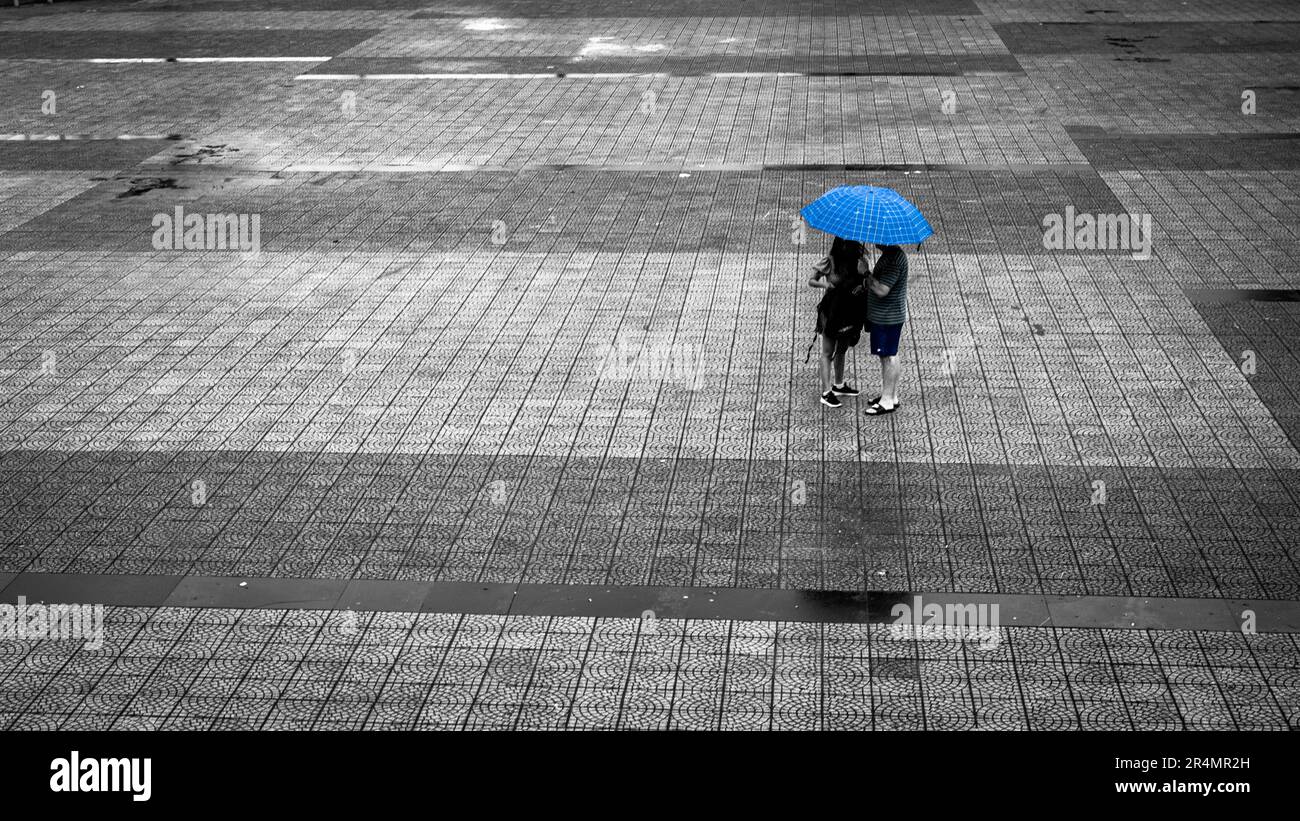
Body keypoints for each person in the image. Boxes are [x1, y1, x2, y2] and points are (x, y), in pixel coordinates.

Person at [808, 237, 869, 408]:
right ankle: (826, 392)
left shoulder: (861, 262)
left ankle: (839, 385)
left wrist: (862, 281)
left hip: (850, 311)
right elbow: (811, 280)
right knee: (827, 352)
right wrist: (825, 286)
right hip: (832, 312)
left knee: (842, 349)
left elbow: (866, 284)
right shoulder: (830, 261)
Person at [863, 243, 908, 415]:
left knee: (888, 356)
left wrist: (866, 272)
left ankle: (887, 400)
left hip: (887, 317)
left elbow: (882, 290)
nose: (875, 240)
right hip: (888, 315)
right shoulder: (893, 255)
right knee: (890, 354)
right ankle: (891, 395)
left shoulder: (893, 261)